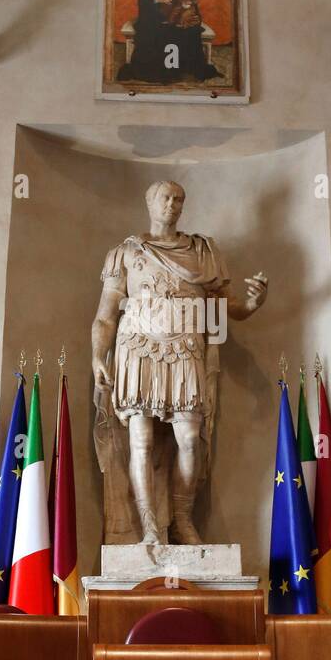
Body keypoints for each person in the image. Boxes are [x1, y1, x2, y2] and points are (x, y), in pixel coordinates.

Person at [91, 180, 267, 545]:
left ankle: (181, 520)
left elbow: (229, 304)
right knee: (139, 441)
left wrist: (251, 304)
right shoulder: (125, 253)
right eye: (165, 198)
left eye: (179, 199)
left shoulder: (202, 252)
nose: (173, 204)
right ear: (149, 202)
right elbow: (106, 315)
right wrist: (98, 355)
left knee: (189, 439)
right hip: (137, 348)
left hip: (185, 348)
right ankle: (150, 529)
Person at [117, 0, 220, 85]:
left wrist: (184, 5)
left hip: (177, 14)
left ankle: (180, 68)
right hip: (155, 15)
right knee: (158, 31)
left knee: (188, 31)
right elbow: (143, 0)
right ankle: (162, 70)